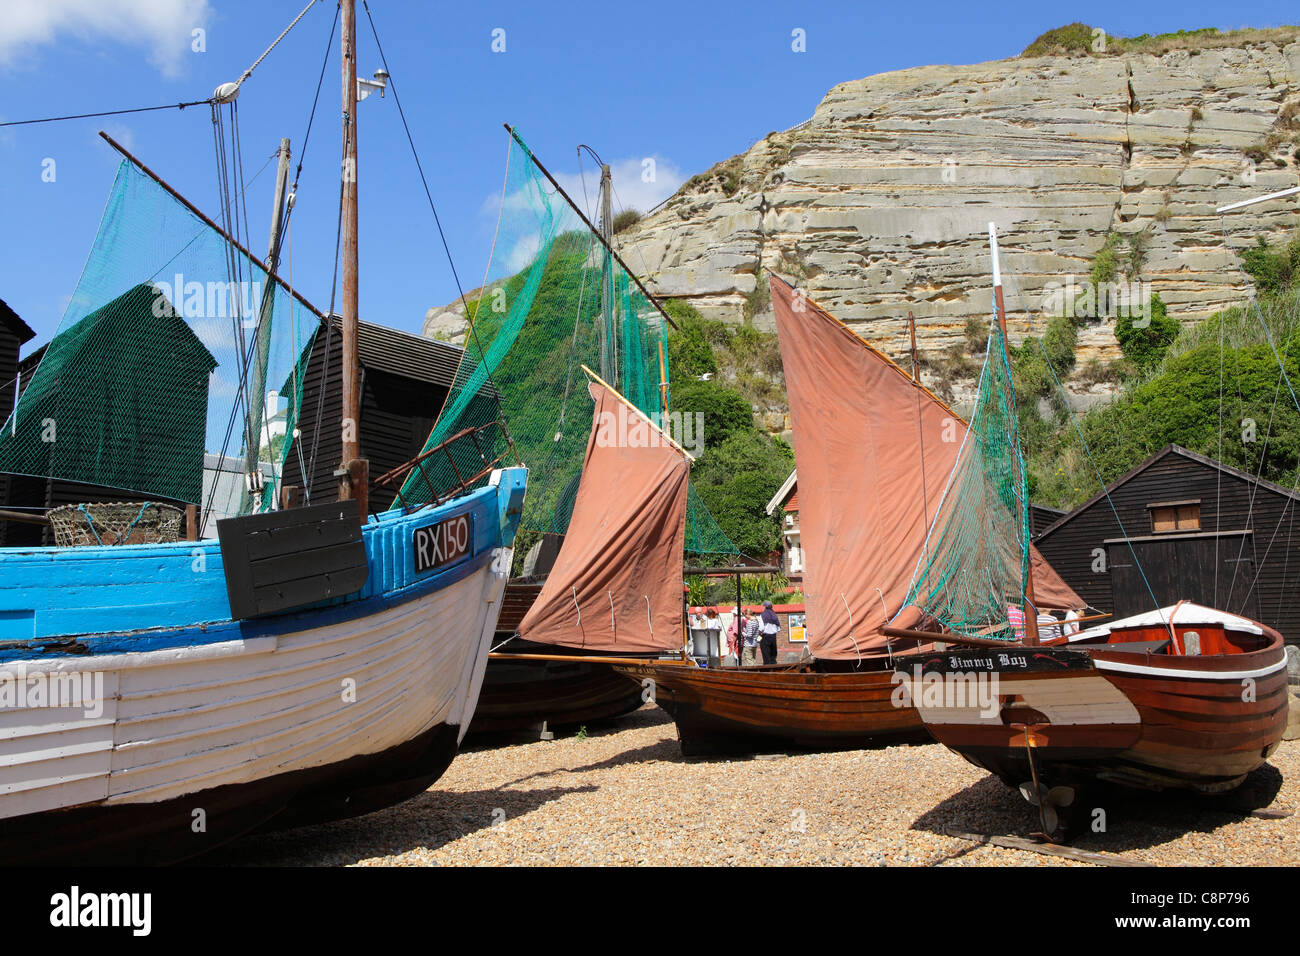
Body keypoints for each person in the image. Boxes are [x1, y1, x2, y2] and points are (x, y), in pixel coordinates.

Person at [759, 599, 781, 665]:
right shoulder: (775, 615)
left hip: (765, 636)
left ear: (765, 607)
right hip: (773, 637)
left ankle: (767, 670)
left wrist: (759, 634)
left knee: (766, 655)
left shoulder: (762, 615)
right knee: (773, 656)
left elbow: (761, 628)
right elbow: (778, 628)